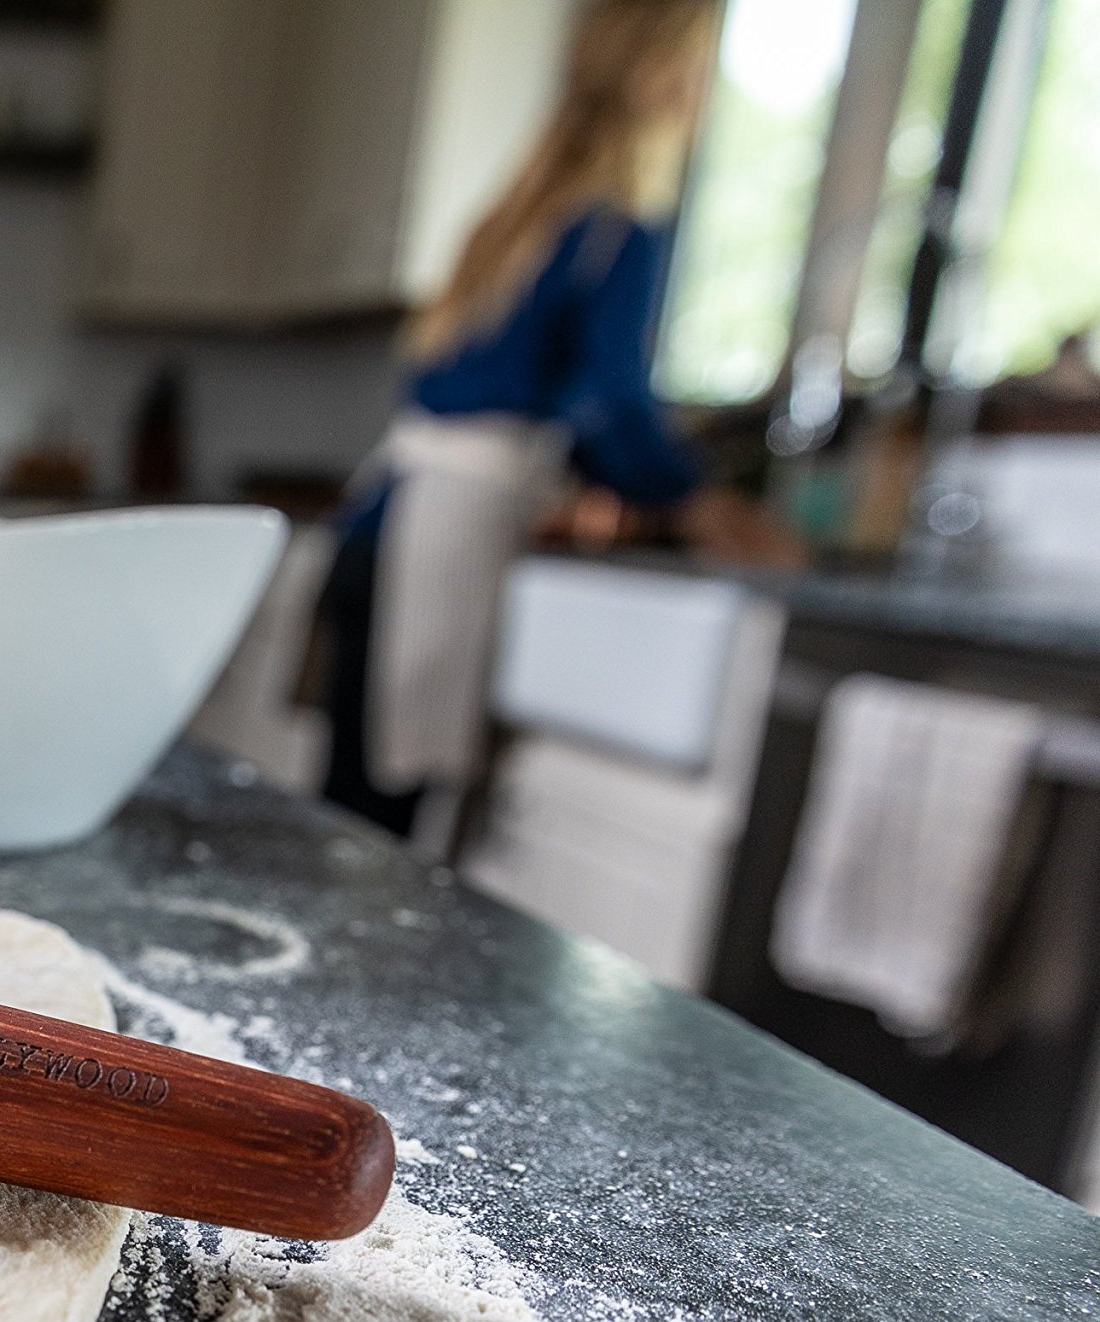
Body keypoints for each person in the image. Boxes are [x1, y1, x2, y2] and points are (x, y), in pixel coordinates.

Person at [317, 0, 801, 843]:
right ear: (661, 77)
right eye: (700, 69)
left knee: (350, 823)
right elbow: (607, 402)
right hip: (438, 544)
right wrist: (698, 502)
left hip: (381, 524)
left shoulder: (518, 213)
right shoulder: (621, 221)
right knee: (380, 837)